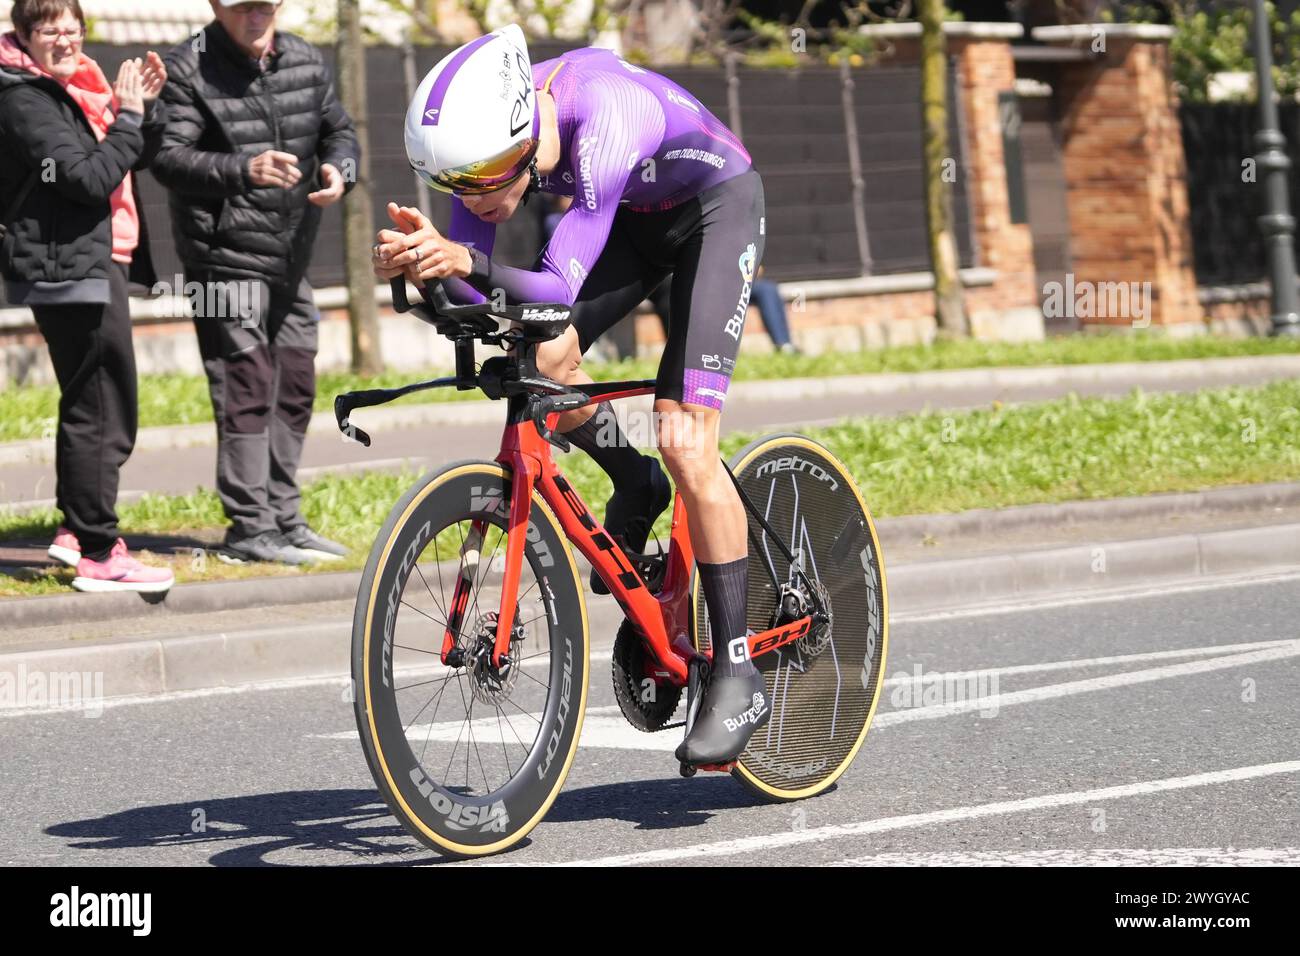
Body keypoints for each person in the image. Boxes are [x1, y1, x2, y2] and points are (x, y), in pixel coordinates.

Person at [374, 26, 769, 765]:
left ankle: (739, 670)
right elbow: (482, 293)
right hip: (635, 218)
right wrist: (422, 269)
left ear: (523, 138)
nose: (476, 197)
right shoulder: (480, 149)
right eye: (456, 185)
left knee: (684, 436)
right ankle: (632, 475)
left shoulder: (606, 112)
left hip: (715, 209)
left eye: (485, 175)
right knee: (546, 357)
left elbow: (552, 289)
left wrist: (462, 258)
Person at [152, 0, 360, 565]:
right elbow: (166, 158)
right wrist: (243, 170)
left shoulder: (303, 60)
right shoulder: (189, 67)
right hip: (223, 256)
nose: (255, 16)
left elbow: (339, 132)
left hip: (291, 258)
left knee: (294, 380)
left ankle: (284, 519)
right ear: (218, 7)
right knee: (246, 382)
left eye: (264, 6)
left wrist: (340, 173)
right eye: (243, 7)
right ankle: (249, 527)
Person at [0, 0, 174, 593]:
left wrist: (140, 112)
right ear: (24, 36)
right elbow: (87, 178)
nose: (66, 38)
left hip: (88, 262)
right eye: (50, 29)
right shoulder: (23, 97)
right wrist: (126, 115)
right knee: (103, 407)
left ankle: (79, 531)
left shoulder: (66, 89)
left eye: (73, 27)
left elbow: (131, 157)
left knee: (91, 401)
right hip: (68, 268)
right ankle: (100, 550)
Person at [651, 266, 801, 354]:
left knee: (767, 289)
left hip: (724, 281)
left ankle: (784, 346)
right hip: (696, 285)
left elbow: (756, 268)